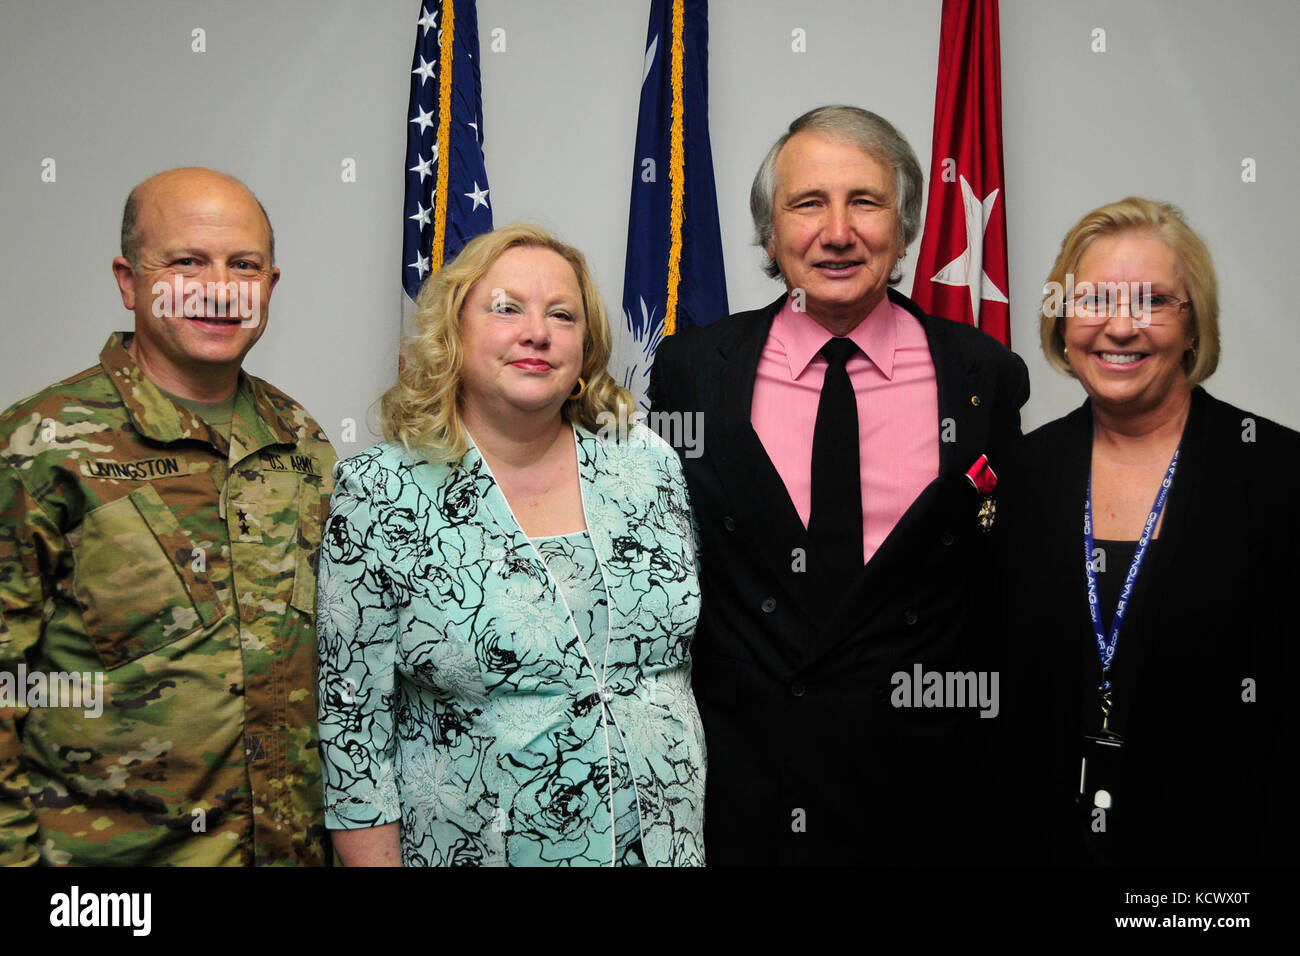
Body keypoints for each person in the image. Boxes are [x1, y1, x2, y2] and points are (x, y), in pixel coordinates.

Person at [648, 105, 1029, 865]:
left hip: (925, 805)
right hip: (743, 803)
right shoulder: (692, 370)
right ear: (769, 232)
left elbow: (1001, 592)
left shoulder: (983, 376)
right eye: (807, 203)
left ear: (905, 225)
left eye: (865, 201)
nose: (837, 232)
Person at [316, 223, 705, 867]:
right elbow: (353, 726)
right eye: (506, 309)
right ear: (453, 333)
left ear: (586, 344)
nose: (537, 332)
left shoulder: (647, 464)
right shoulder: (378, 490)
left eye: (562, 314)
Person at [0, 167, 336, 866]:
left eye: (244, 265)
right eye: (186, 262)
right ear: (129, 282)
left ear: (269, 287)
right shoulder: (39, 448)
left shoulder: (300, 441)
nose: (217, 288)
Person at [996, 196, 1299, 865]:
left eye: (1154, 301)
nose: (1121, 327)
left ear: (1195, 327)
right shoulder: (1019, 479)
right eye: (1096, 298)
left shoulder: (1279, 476)